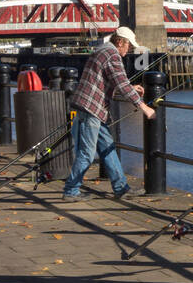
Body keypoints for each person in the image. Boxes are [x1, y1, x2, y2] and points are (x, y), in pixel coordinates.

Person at [63, 26, 155, 199]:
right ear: (119, 41)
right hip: (91, 109)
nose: (129, 50)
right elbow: (121, 84)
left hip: (92, 108)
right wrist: (145, 108)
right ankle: (71, 190)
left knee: (108, 148)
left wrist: (130, 87)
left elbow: (111, 81)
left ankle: (121, 188)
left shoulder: (103, 50)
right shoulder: (112, 54)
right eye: (128, 45)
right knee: (86, 153)